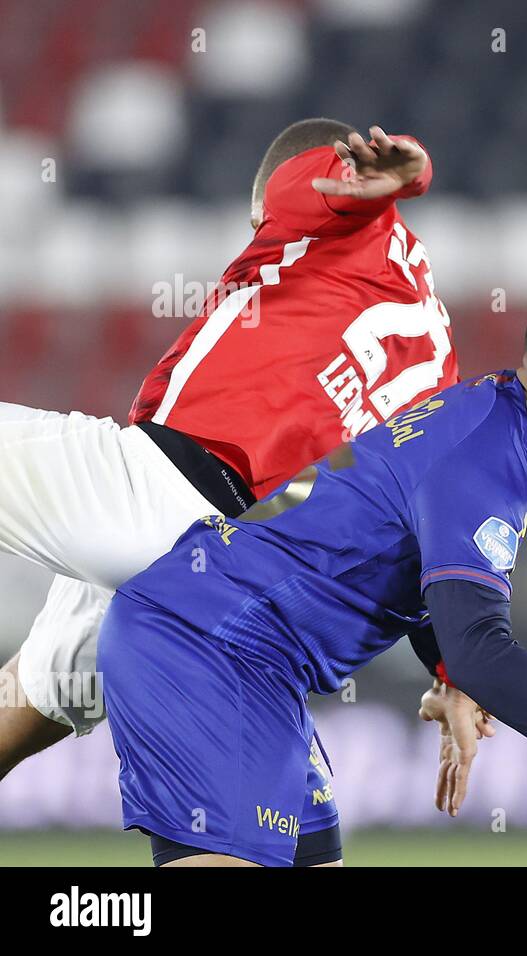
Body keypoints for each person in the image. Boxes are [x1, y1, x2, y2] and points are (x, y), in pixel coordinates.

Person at [97, 281, 527, 866]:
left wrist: (448, 673)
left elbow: (417, 564)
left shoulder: (492, 418)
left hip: (256, 668)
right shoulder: (483, 460)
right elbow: (481, 647)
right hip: (202, 646)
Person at [0, 118, 462, 866]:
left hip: (158, 490)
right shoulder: (437, 363)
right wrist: (452, 668)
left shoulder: (333, 215)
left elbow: (318, 177)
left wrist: (401, 177)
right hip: (233, 588)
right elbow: (428, 533)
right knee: (33, 696)